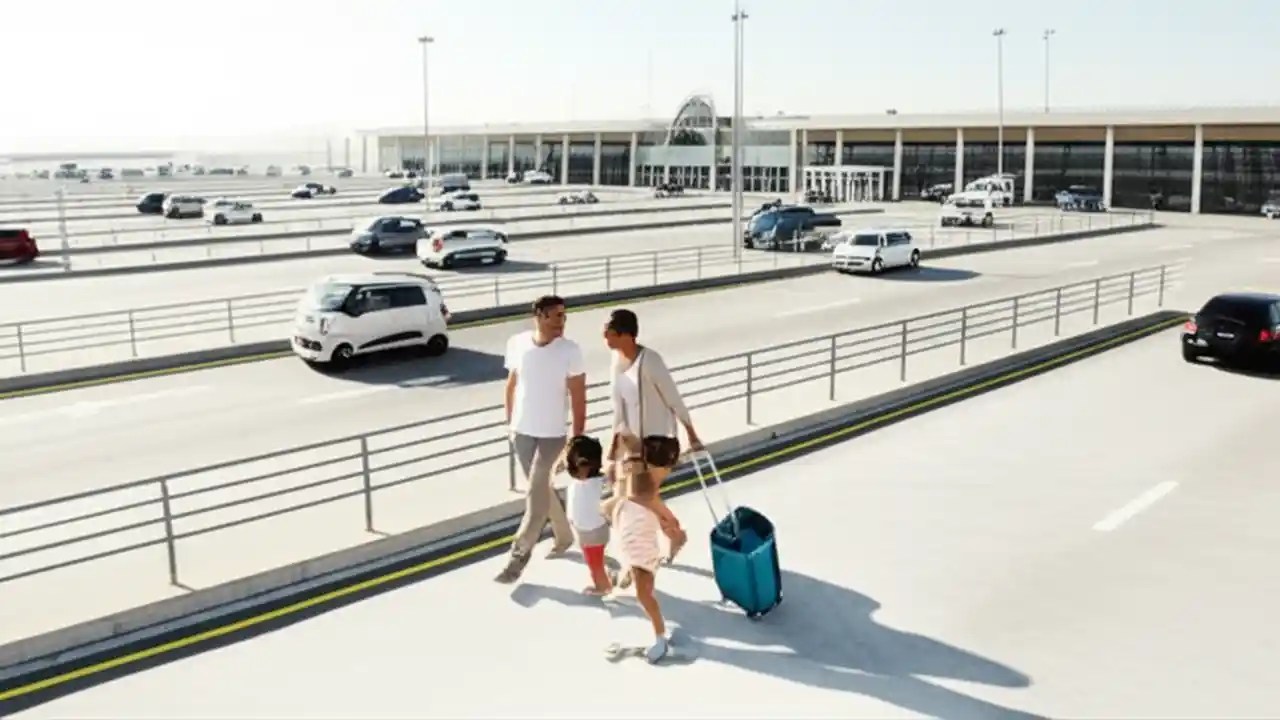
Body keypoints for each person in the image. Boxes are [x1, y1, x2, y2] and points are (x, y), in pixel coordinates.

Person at [495, 295, 587, 584]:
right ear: (539, 316)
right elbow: (511, 385)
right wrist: (511, 425)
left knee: (535, 497)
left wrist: (576, 440)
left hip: (553, 436)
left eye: (564, 315)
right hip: (522, 432)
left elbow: (578, 396)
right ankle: (564, 536)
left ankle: (519, 554)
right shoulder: (518, 343)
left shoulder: (570, 351)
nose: (562, 321)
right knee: (542, 490)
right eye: (556, 316)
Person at [602, 308, 701, 569]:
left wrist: (692, 434)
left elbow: (673, 398)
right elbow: (618, 409)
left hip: (660, 444)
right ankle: (673, 536)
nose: (604, 336)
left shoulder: (650, 361)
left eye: (609, 332)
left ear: (626, 335)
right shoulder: (616, 362)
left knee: (639, 496)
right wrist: (612, 453)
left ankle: (670, 538)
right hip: (632, 445)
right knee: (629, 496)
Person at [611, 465, 680, 663]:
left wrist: (671, 553)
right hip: (632, 554)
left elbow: (675, 533)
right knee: (644, 593)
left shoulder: (653, 507)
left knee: (645, 596)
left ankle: (660, 637)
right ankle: (626, 577)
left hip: (643, 558)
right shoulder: (624, 502)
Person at [560, 434, 613, 596]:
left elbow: (571, 514)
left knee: (594, 564)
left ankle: (602, 586)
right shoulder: (603, 482)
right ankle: (607, 578)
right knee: (599, 556)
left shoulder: (573, 488)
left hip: (586, 534)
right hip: (602, 529)